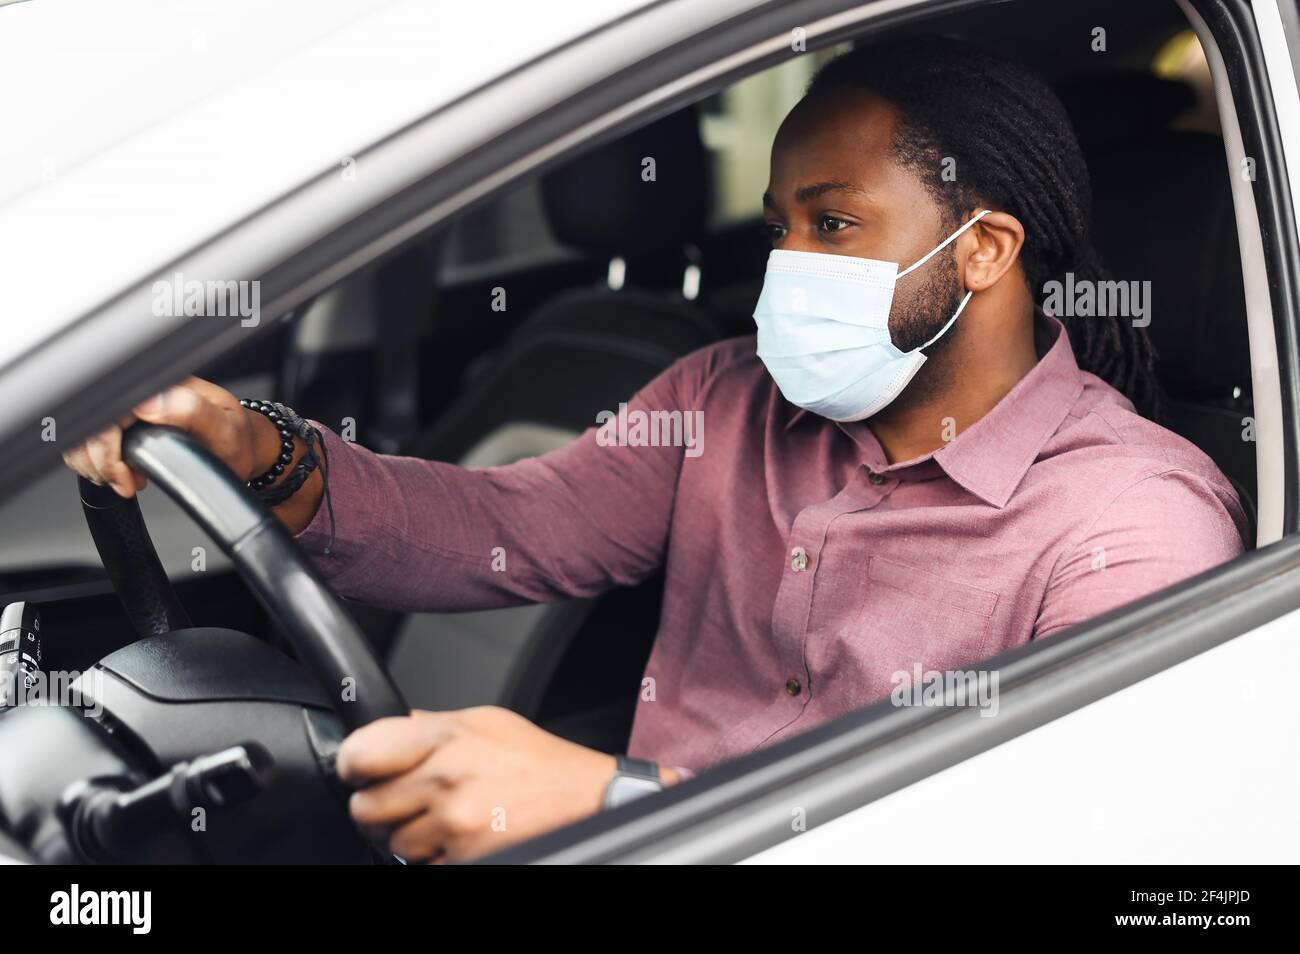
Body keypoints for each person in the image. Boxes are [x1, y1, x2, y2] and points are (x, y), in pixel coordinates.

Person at [64, 37, 1246, 862]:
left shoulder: (1131, 526)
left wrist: (612, 796)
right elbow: (491, 533)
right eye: (779, 226)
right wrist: (242, 438)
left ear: (983, 250)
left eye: (832, 224)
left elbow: (1076, 848)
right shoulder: (724, 399)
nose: (787, 265)